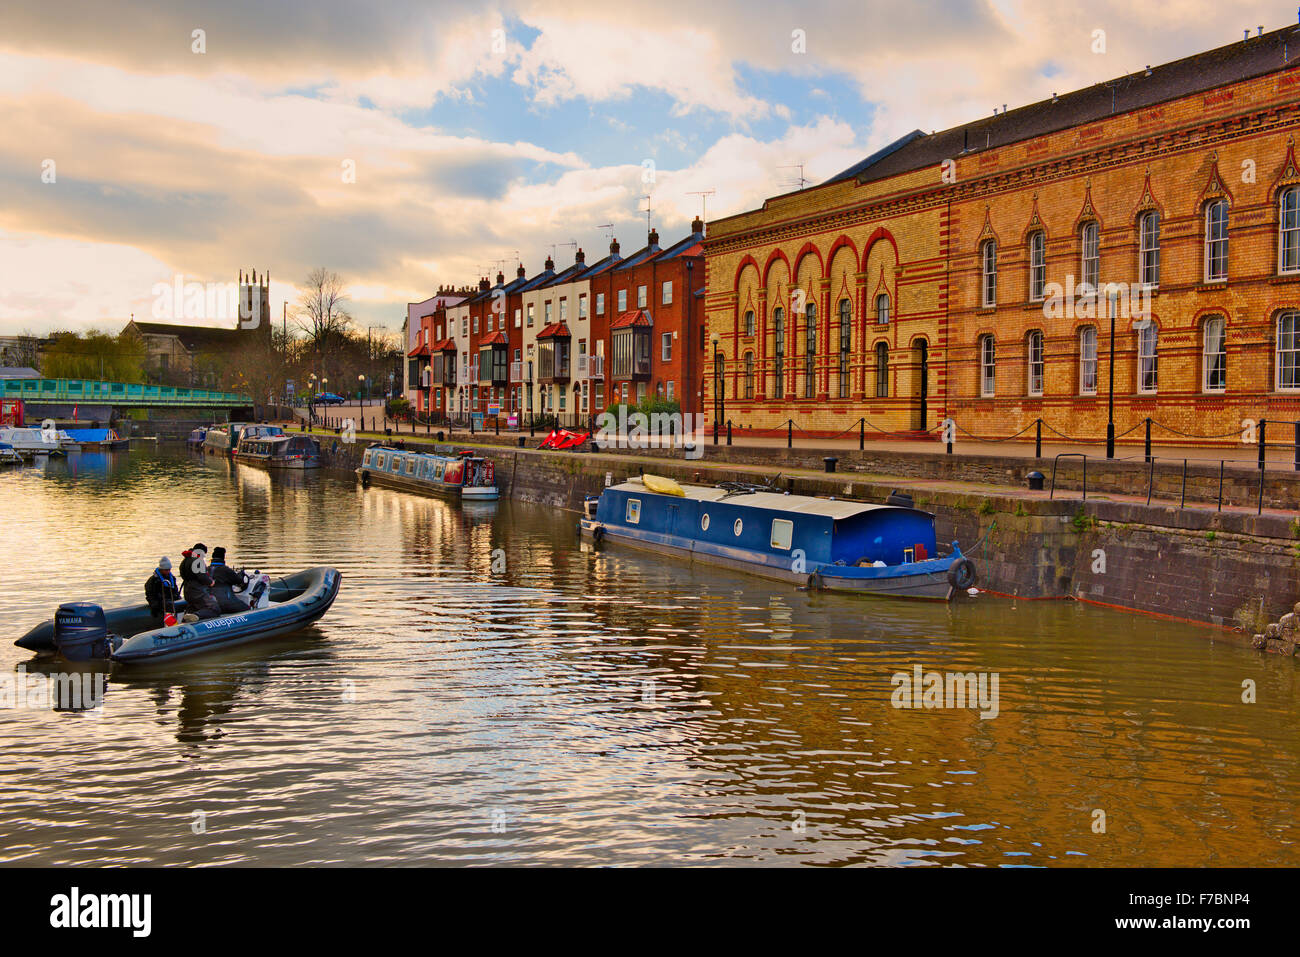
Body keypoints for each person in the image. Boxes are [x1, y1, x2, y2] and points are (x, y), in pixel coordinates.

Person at [179, 543, 222, 620]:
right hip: (198, 592)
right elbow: (203, 576)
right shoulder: (197, 561)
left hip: (187, 591)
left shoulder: (185, 560)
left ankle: (185, 620)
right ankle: (197, 615)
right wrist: (211, 582)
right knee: (214, 609)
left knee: (192, 607)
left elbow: (183, 575)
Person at [209, 546, 252, 613]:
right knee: (248, 609)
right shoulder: (226, 570)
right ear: (223, 557)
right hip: (226, 603)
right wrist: (241, 574)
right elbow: (239, 581)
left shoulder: (206, 569)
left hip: (211, 603)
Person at [145, 557, 181, 623]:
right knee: (168, 606)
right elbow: (150, 593)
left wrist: (177, 597)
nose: (168, 571)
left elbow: (175, 590)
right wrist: (154, 605)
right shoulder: (154, 580)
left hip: (169, 600)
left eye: (169, 570)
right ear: (161, 569)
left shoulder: (172, 578)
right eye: (166, 570)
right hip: (160, 601)